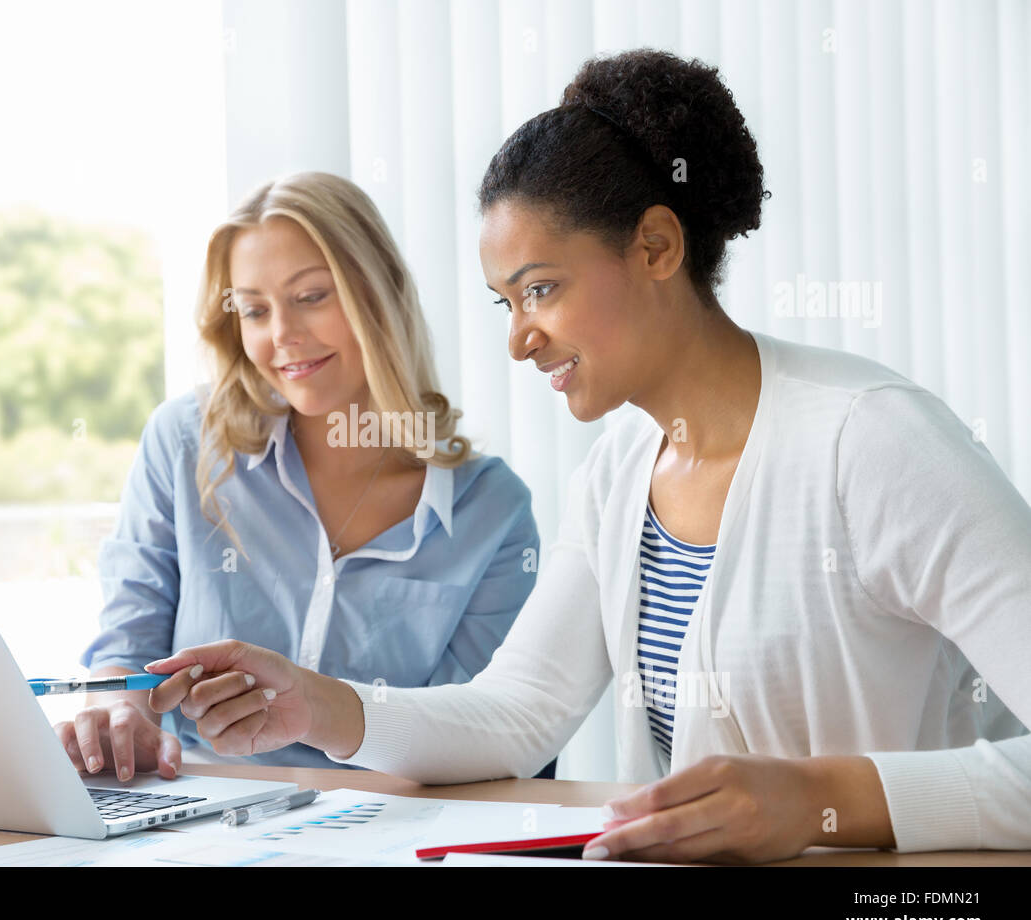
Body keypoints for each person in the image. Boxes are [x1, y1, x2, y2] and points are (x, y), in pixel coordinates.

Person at [140, 50, 1031, 863]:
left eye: (541, 289)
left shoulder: (873, 440)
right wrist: (320, 705)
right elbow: (516, 713)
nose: (521, 340)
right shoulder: (621, 468)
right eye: (505, 303)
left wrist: (821, 800)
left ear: (656, 246)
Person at [55, 171, 539, 780]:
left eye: (312, 296)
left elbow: (473, 736)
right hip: (196, 808)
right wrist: (119, 717)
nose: (282, 335)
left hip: (384, 829)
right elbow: (128, 648)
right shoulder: (185, 441)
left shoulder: (491, 513)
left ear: (379, 291)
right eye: (255, 310)